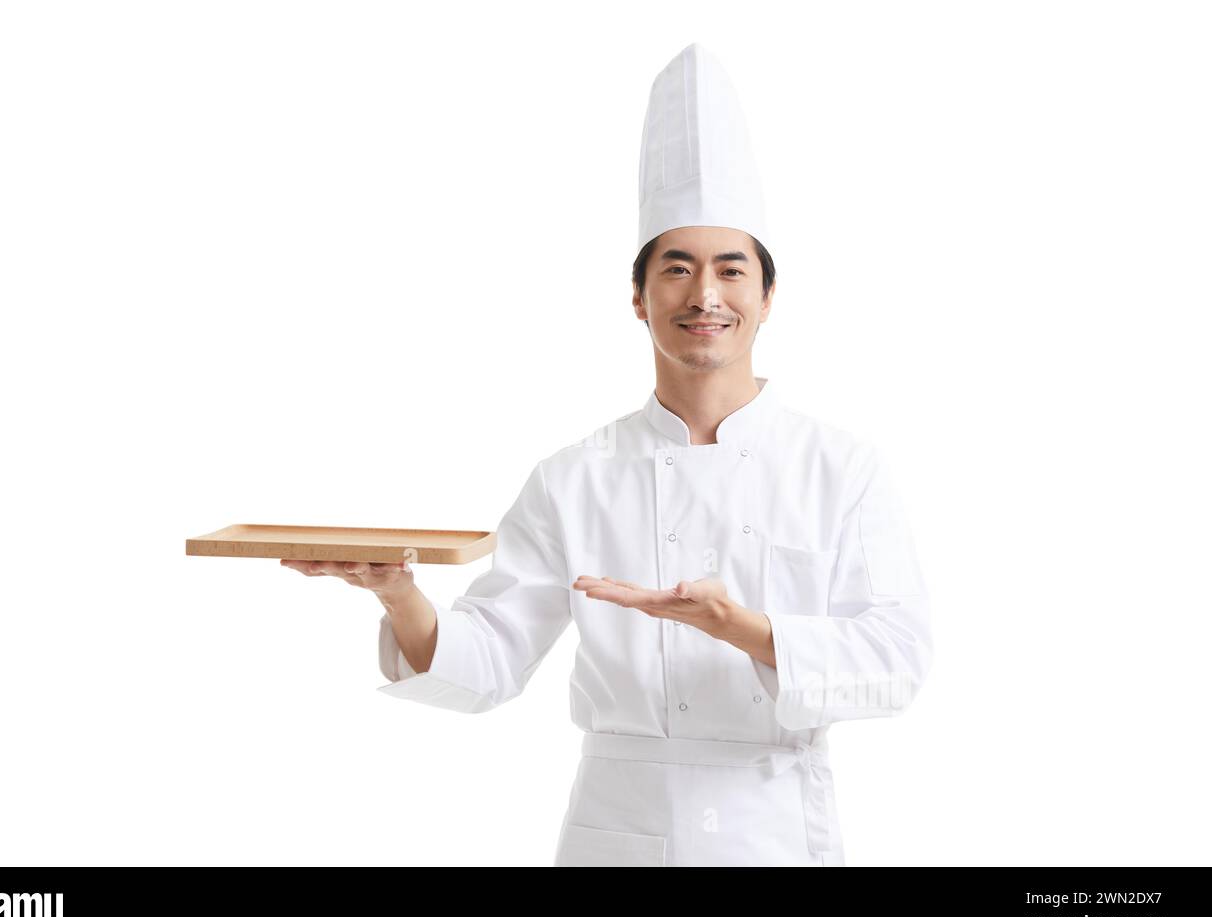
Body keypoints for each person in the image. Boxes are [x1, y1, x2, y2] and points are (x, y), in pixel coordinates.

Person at [283, 42, 932, 866]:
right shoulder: (574, 478)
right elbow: (484, 665)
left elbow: (898, 661)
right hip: (615, 832)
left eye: (731, 270)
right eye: (677, 269)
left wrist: (746, 629)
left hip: (775, 828)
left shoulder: (842, 468)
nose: (704, 295)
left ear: (767, 297)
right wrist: (399, 594)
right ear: (638, 297)